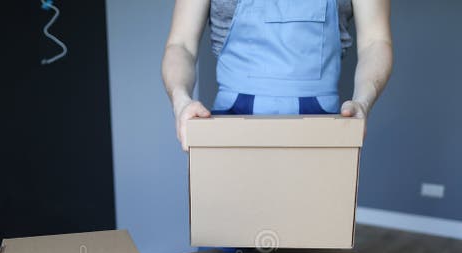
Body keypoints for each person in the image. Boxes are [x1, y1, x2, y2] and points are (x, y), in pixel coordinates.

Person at [162, 0, 393, 151]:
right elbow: (181, 44)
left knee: (317, 224)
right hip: (230, 131)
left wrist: (363, 101)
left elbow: (376, 41)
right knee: (229, 223)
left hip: (322, 134)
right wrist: (181, 100)